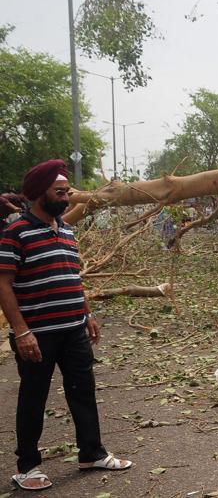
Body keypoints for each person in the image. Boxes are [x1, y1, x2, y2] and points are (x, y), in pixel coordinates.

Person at [0, 160, 133, 492]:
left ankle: (92, 453)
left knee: (82, 391)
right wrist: (22, 332)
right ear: (39, 193)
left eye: (67, 192)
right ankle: (27, 466)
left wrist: (87, 314)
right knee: (34, 397)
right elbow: (3, 285)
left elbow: (73, 277)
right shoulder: (16, 233)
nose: (66, 197)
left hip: (73, 328)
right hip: (37, 335)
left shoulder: (67, 230)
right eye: (60, 192)